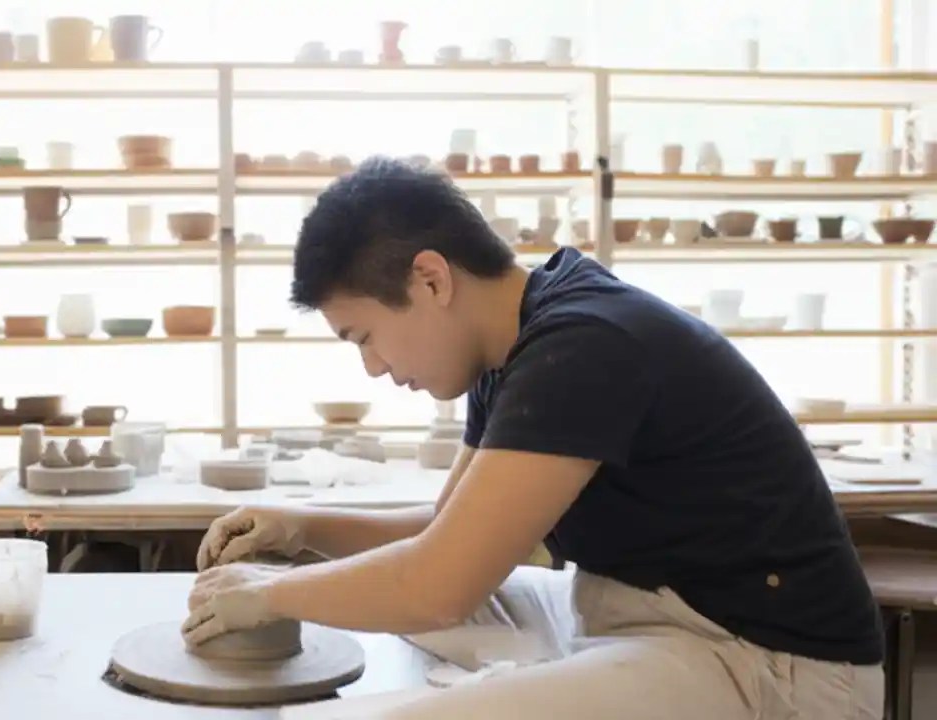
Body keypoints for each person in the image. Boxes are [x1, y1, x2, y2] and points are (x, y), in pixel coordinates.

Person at [182, 157, 884, 718]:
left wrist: (273, 595)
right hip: (638, 609)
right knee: (418, 618)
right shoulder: (513, 344)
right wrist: (301, 526)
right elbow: (446, 533)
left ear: (430, 279)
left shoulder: (582, 345)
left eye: (364, 337)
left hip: (765, 663)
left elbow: (435, 587)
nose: (373, 366)